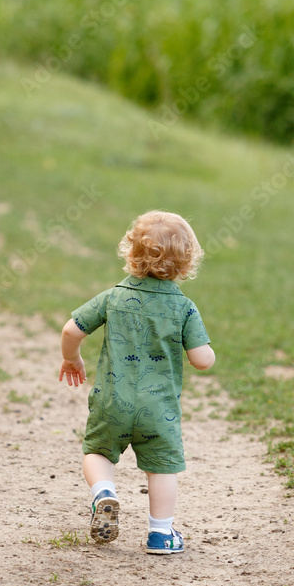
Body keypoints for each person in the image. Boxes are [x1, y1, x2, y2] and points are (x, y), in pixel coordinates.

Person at [59, 210, 215, 555]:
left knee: (97, 452)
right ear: (187, 263)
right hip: (158, 411)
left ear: (130, 253)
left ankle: (104, 493)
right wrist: (207, 352)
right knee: (161, 468)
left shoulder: (114, 297)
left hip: (112, 401)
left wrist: (72, 358)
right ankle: (161, 534)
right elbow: (202, 360)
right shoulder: (184, 308)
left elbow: (72, 329)